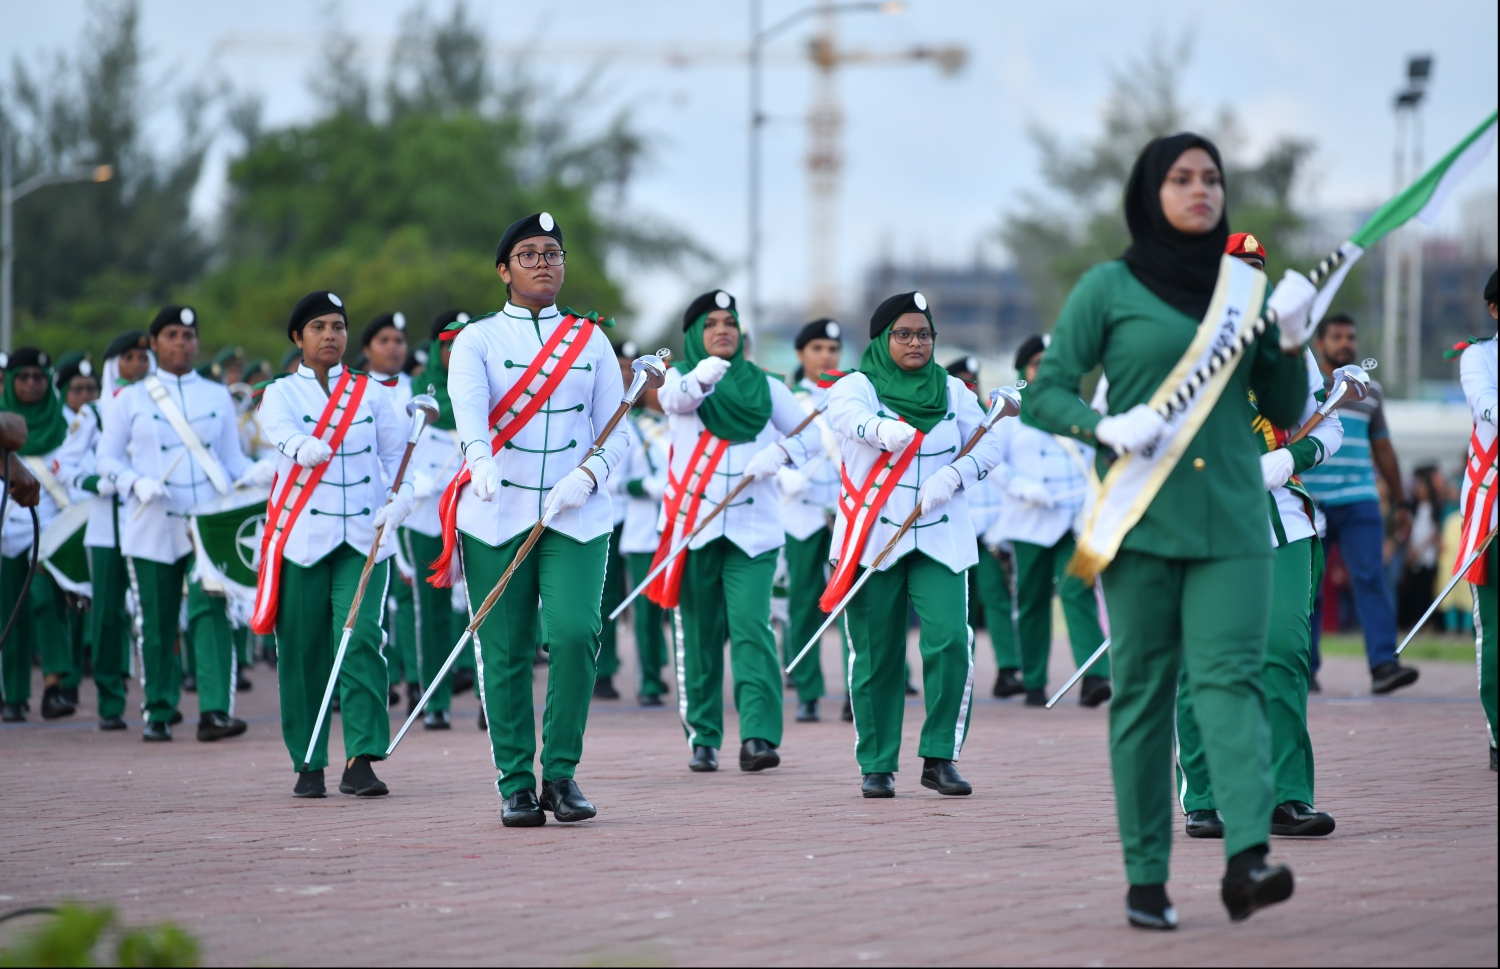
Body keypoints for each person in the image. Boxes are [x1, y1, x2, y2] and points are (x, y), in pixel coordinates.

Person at [1025, 134, 1315, 928]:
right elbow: (1046, 393)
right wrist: (1102, 425)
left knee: (1233, 679)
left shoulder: (1245, 292)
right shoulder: (1108, 287)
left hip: (1233, 521)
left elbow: (1284, 408)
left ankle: (1247, 857)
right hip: (1143, 521)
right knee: (1146, 697)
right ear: (1149, 192)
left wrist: (1292, 338)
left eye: (1212, 178)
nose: (1200, 190)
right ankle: (1146, 877)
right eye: (1182, 178)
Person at [431, 212, 628, 826]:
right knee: (505, 646)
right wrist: (478, 459)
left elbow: (615, 431)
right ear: (504, 270)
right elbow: (468, 411)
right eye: (529, 254)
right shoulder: (478, 339)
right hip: (497, 508)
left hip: (575, 511)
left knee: (573, 633)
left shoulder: (590, 339)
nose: (544, 263)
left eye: (553, 253)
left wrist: (588, 474)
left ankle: (561, 773)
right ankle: (516, 782)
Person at [1176, 230, 1343, 842]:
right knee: (1203, 662)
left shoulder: (1289, 344)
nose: (1248, 278)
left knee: (1283, 653)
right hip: (1201, 519)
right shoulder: (1181, 339)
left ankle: (1287, 796)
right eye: (1236, 268)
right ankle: (1204, 797)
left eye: (1257, 268)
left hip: (1281, 519)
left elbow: (1330, 428)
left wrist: (1289, 459)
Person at [823, 291, 1003, 801]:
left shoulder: (953, 390)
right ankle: (877, 763)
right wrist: (882, 429)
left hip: (940, 533)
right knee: (877, 654)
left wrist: (956, 473)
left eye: (924, 334)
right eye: (903, 334)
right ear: (882, 339)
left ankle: (941, 756)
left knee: (951, 641)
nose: (915, 343)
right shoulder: (856, 386)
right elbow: (847, 419)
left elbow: (989, 442)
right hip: (876, 536)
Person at [648, 289, 820, 774]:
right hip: (694, 527)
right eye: (710, 324)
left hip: (754, 528)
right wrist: (703, 377)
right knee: (699, 635)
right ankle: (703, 737)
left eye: (729, 322)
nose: (722, 330)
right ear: (693, 335)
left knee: (751, 628)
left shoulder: (767, 385)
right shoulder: (683, 377)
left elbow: (809, 434)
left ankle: (758, 735)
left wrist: (782, 453)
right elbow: (671, 401)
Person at [253, 291, 413, 796]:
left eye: (338, 327)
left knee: (362, 640)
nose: (330, 336)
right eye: (318, 327)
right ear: (297, 337)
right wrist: (299, 444)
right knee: (302, 651)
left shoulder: (372, 393)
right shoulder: (280, 392)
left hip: (363, 539)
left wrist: (402, 499)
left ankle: (361, 757)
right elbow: (277, 429)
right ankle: (308, 761)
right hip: (302, 540)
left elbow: (398, 458)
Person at [100, 307, 272, 742]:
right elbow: (107, 458)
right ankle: (158, 709)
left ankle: (215, 711)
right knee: (157, 620)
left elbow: (230, 459)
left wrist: (254, 471)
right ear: (155, 343)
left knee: (210, 613)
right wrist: (134, 481)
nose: (181, 342)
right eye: (172, 334)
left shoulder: (216, 395)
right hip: (152, 518)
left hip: (208, 524)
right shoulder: (131, 398)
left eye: (189, 335)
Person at [1300, 313, 1419, 694]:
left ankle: (1384, 665)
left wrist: (1402, 502)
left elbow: (1383, 448)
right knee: (1308, 584)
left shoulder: (1371, 391)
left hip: (1359, 498)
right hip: (1310, 500)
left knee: (1371, 577)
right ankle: (1304, 668)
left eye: (1350, 337)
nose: (1345, 343)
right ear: (1319, 344)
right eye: (1336, 336)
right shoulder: (1304, 385)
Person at [992, 335, 1110, 708]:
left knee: (1078, 591)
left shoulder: (1076, 406)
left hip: (1073, 518)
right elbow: (991, 459)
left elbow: (1093, 455)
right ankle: (1034, 680)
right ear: (1023, 369)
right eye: (1036, 363)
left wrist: (1090, 503)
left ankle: (1095, 676)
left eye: (1051, 362)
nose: (1044, 370)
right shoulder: (1009, 409)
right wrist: (1022, 487)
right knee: (1032, 598)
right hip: (1028, 519)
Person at [57, 332, 151, 729]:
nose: (138, 365)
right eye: (129, 357)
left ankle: (158, 699)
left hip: (150, 521)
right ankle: (111, 701)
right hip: (107, 527)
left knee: (154, 611)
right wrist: (96, 483)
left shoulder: (158, 406)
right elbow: (63, 467)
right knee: (108, 614)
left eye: (144, 357)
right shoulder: (94, 413)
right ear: (114, 364)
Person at [395, 310, 467, 729]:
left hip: (473, 515)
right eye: (449, 345)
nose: (456, 352)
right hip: (426, 518)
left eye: (463, 344)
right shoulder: (415, 392)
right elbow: (396, 453)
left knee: (485, 609)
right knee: (431, 612)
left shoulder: (485, 390)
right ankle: (434, 700)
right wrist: (412, 480)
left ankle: (487, 701)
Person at [0, 348, 76, 722]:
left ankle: (54, 686)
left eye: (38, 377)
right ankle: (13, 695)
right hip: (5, 528)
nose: (31, 384)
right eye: (23, 377)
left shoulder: (66, 423)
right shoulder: (1, 422)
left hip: (48, 529)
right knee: (9, 610)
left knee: (48, 602)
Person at [778, 318, 847, 723]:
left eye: (833, 349)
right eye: (818, 348)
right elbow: (773, 442)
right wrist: (784, 475)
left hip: (845, 511)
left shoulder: (852, 394)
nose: (826, 355)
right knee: (803, 601)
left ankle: (857, 688)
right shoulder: (788, 397)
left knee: (852, 601)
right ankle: (807, 690)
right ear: (801, 353)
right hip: (801, 511)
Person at [945, 355, 1023, 700]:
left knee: (996, 600)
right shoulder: (943, 417)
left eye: (972, 382)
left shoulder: (991, 417)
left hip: (989, 528)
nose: (969, 387)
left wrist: (1001, 526)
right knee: (958, 607)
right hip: (954, 525)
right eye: (962, 381)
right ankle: (961, 673)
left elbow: (1001, 470)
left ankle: (1008, 669)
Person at [609, 339, 672, 706]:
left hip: (678, 527)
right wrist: (644, 486)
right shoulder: (631, 428)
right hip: (644, 529)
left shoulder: (683, 426)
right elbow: (612, 481)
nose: (659, 393)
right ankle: (648, 681)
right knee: (646, 612)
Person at [360, 312, 415, 707]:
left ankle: (414, 679)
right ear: (366, 349)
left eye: (399, 340)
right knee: (373, 600)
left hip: (412, 504)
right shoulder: (356, 390)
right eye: (384, 340)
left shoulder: (421, 388)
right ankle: (383, 677)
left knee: (408, 599)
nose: (393, 347)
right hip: (367, 505)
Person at [1453, 270, 1497, 770]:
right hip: (1493, 512)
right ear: (1494, 309)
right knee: (1496, 633)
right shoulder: (1479, 357)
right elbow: (1487, 406)